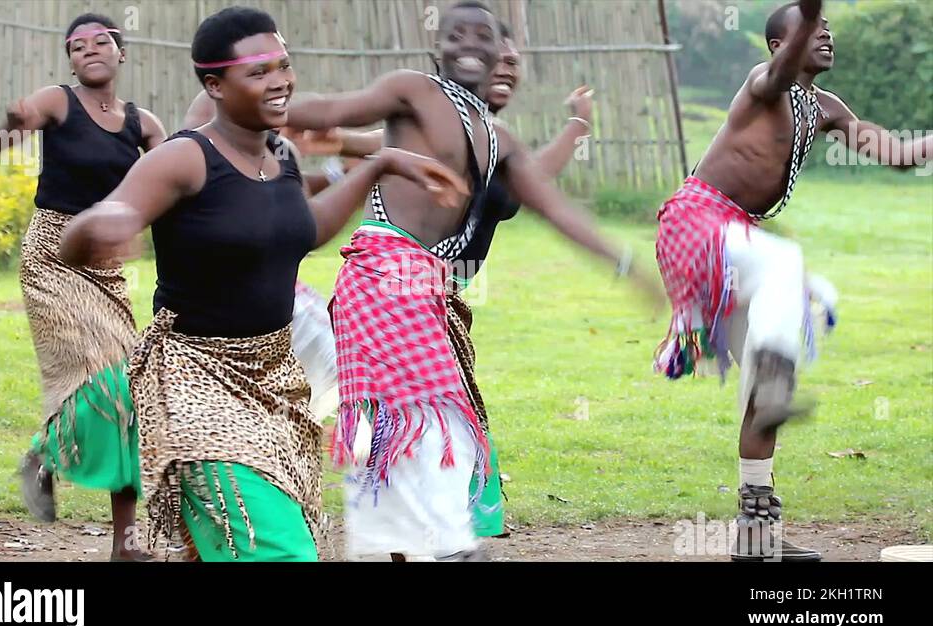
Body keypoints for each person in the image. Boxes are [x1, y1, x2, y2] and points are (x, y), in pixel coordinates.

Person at [58, 6, 467, 561]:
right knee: (275, 549)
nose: (279, 81)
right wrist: (101, 227)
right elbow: (90, 228)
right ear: (215, 85)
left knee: (248, 542)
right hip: (198, 381)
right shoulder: (184, 157)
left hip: (277, 384)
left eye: (283, 65)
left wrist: (378, 165)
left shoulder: (280, 154)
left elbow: (306, 230)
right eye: (257, 72)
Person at [286, 1, 662, 561]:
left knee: (424, 433)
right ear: (438, 47)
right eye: (455, 32)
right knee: (432, 431)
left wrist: (626, 264)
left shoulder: (499, 141)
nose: (467, 42)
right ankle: (449, 549)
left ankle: (411, 547)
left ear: (499, 53)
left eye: (482, 35)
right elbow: (330, 109)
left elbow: (556, 208)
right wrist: (265, 106)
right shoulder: (413, 90)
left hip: (426, 293)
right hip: (384, 276)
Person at [652, 0, 932, 561]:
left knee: (797, 324)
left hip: (735, 246)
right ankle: (777, 378)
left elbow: (899, 154)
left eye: (828, 30)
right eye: (812, 30)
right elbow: (777, 74)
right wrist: (811, 5)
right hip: (698, 225)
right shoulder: (765, 83)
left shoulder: (825, 107)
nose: (825, 37)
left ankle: (756, 531)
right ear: (781, 46)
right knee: (787, 265)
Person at [0, 13, 166, 561]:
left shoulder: (143, 124)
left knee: (129, 392)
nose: (90, 49)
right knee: (104, 379)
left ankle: (124, 543)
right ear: (70, 59)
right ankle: (44, 455)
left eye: (102, 41)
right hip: (52, 256)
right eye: (78, 45)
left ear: (121, 53)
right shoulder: (58, 101)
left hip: (105, 264)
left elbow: (176, 175)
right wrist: (9, 125)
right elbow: (4, 135)